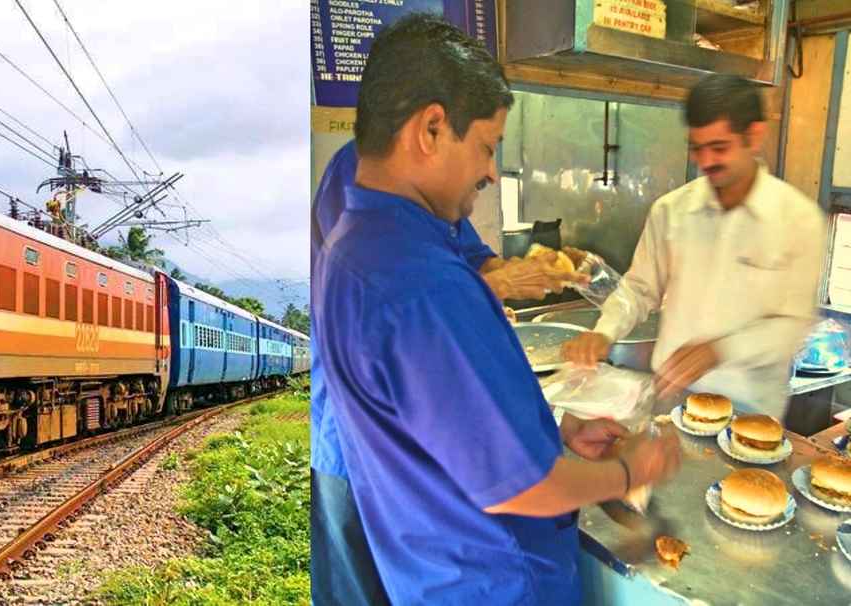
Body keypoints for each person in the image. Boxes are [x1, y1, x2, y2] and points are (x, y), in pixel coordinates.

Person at [313, 14, 681, 605]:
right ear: (431, 128)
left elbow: (441, 421)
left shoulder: (359, 243)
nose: (490, 170)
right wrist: (631, 469)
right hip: (495, 582)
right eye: (486, 146)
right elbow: (521, 488)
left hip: (431, 574)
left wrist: (554, 432)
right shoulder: (423, 285)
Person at [310, 141, 583, 604]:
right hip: (358, 440)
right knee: (361, 587)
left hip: (422, 430)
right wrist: (496, 285)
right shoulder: (361, 168)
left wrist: (523, 269)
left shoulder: (434, 183)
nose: (490, 171)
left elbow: (470, 254)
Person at [562, 74, 825, 419]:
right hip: (672, 398)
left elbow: (793, 325)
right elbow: (640, 289)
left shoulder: (798, 220)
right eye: (697, 148)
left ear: (754, 136)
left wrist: (720, 350)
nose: (706, 161)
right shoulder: (671, 211)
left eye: (719, 147)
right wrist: (605, 331)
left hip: (749, 409)